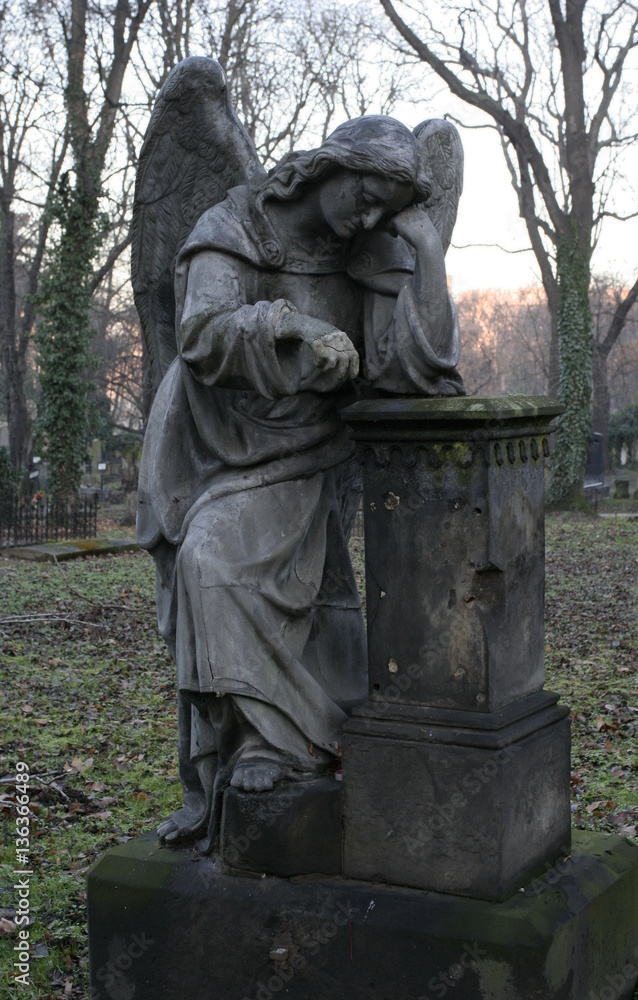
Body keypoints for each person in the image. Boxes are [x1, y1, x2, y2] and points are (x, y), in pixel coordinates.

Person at [136, 115, 464, 845]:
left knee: (239, 569)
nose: (369, 218)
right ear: (329, 167)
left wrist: (425, 252)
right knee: (207, 558)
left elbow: (418, 371)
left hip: (314, 450)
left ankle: (270, 745)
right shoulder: (237, 225)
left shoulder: (369, 249)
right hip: (218, 446)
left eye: (384, 211)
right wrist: (291, 327)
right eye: (365, 197)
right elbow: (201, 333)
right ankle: (255, 738)